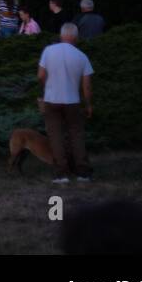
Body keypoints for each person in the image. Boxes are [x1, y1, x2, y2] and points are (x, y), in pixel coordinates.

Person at [38, 23, 95, 184]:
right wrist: (88, 104)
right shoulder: (82, 56)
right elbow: (87, 86)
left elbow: (40, 75)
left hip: (51, 99)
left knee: (55, 137)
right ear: (76, 37)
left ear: (61, 35)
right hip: (72, 101)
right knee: (76, 136)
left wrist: (46, 88)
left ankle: (61, 174)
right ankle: (83, 172)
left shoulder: (48, 51)